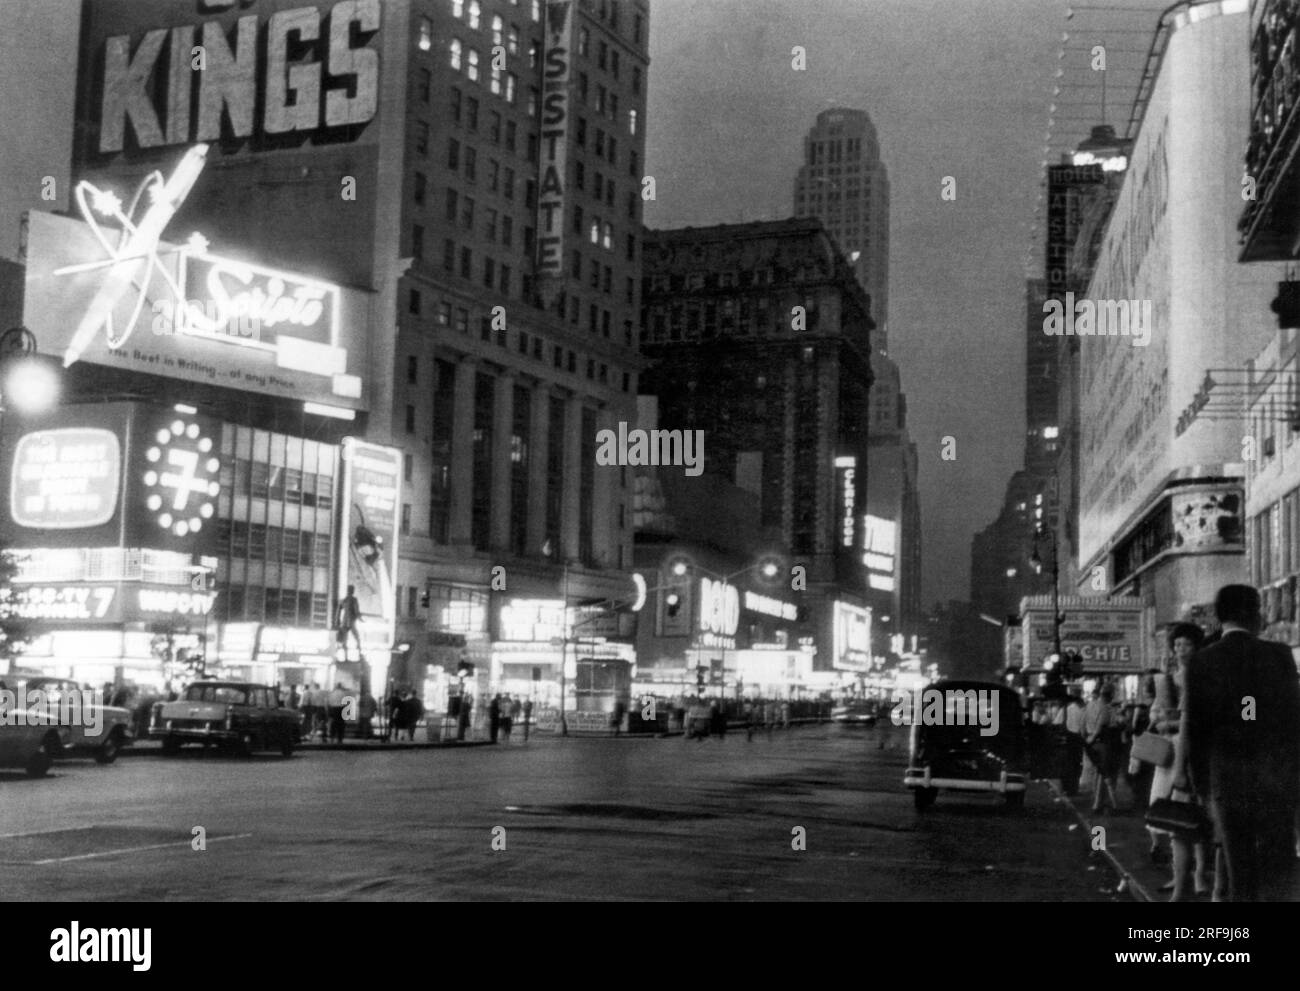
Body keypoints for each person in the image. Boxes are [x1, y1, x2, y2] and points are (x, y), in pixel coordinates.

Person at [1180, 584, 1300, 902]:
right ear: (1252, 614)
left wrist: (1200, 786)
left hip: (1227, 781)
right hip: (1275, 779)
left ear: (1221, 617)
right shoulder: (1279, 655)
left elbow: (1195, 730)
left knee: (1240, 870)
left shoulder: (1202, 662)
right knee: (1279, 867)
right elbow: (1293, 721)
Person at [1149, 622, 1212, 901]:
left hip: (1192, 749)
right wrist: (1160, 718)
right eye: (1176, 645)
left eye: (1186, 644)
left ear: (1196, 647)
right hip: (1169, 751)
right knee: (1174, 818)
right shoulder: (1167, 679)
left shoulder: (1202, 676)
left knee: (1193, 817)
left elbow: (1196, 719)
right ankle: (1180, 876)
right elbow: (1156, 714)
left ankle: (1198, 876)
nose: (1180, 650)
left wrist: (1172, 719)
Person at [1084, 682, 1122, 814]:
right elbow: (1100, 727)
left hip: (1090, 742)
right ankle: (1100, 804)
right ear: (1110, 695)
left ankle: (1097, 801)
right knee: (1105, 774)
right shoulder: (1105, 708)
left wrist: (1087, 740)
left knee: (1098, 772)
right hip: (1101, 743)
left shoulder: (1089, 704)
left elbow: (1083, 723)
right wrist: (1093, 737)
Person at [335, 584, 363, 661]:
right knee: (357, 637)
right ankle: (360, 654)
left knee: (345, 639)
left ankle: (346, 657)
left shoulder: (343, 600)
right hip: (351, 622)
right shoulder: (354, 600)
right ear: (352, 591)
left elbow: (338, 611)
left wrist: (337, 620)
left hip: (344, 622)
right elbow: (357, 611)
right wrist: (360, 619)